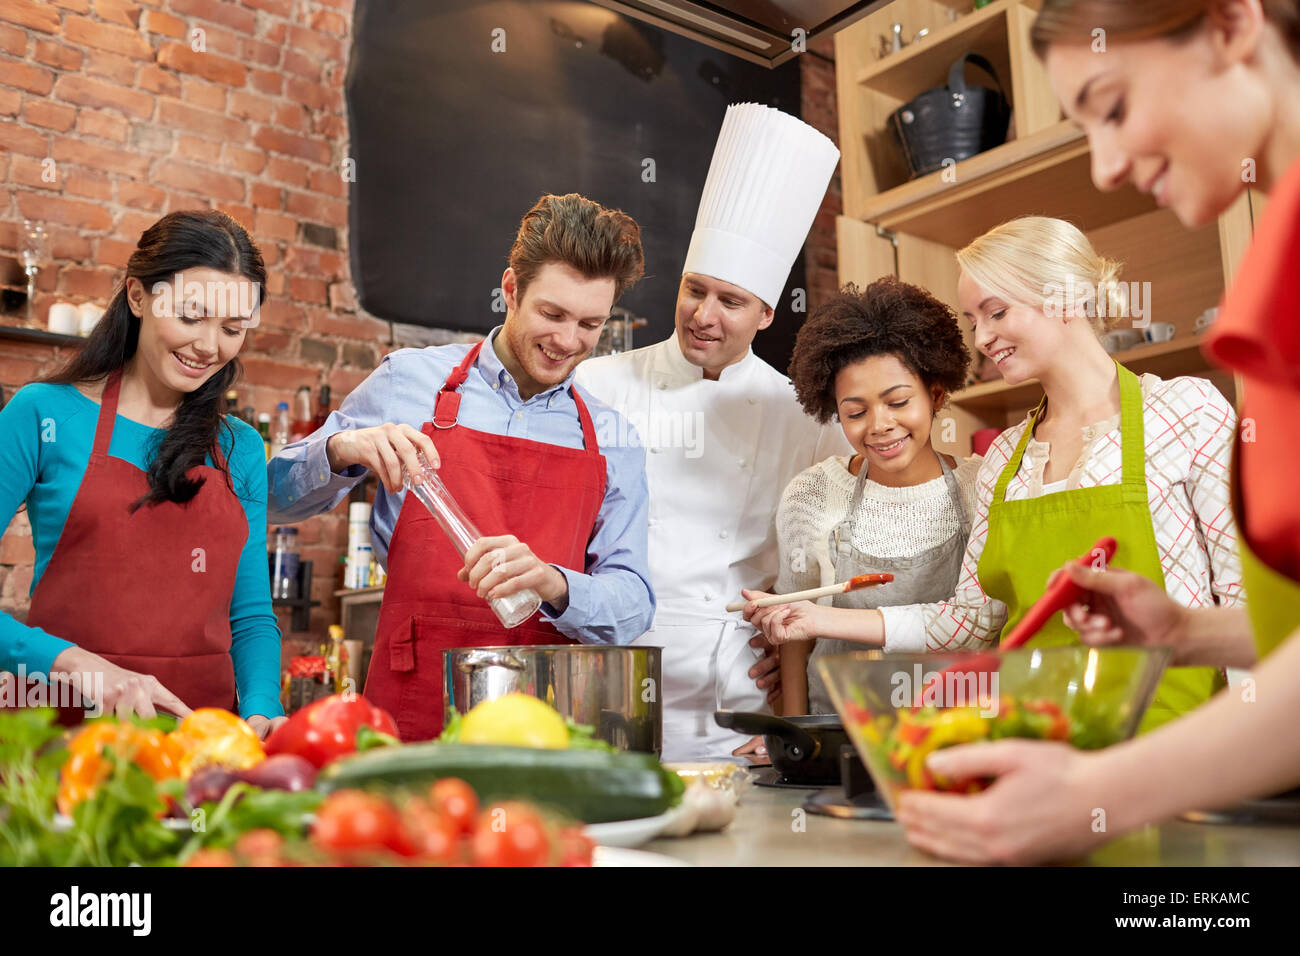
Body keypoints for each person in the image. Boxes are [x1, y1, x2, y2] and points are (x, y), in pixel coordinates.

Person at [892, 0, 1300, 864]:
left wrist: (1098, 795)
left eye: (1112, 106)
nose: (1106, 167)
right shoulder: (1274, 290)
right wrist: (1182, 633)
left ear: (1231, 25)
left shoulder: (1191, 408)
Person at [746, 215, 1242, 732]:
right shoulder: (1006, 457)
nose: (982, 337)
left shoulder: (1186, 412)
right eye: (972, 320)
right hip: (1034, 737)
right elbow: (973, 619)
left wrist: (1254, 748)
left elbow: (1243, 599)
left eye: (997, 312)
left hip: (1177, 738)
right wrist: (817, 617)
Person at [267, 194, 655, 741]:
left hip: (542, 725)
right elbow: (268, 500)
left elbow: (635, 601)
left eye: (590, 323)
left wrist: (555, 583)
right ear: (512, 289)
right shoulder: (407, 381)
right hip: (411, 706)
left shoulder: (612, 438)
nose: (568, 341)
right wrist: (339, 450)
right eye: (552, 314)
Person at [576, 103, 848, 761]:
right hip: (608, 678)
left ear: (765, 313)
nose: (703, 315)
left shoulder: (806, 414)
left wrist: (794, 663)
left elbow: (836, 571)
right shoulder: (596, 385)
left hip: (737, 697)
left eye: (730, 301)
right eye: (695, 289)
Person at [0, 210, 286, 737]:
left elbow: (249, 615)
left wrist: (264, 710)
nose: (208, 347)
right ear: (138, 297)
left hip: (199, 750)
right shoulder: (43, 414)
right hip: (65, 740)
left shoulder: (239, 447)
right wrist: (77, 665)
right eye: (191, 316)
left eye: (231, 329)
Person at [772, 277, 980, 715]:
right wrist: (794, 732)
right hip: (838, 728)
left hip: (955, 729)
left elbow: (982, 621)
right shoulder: (812, 493)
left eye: (898, 402)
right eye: (856, 412)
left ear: (936, 395)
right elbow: (796, 628)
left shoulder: (980, 486)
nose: (879, 425)